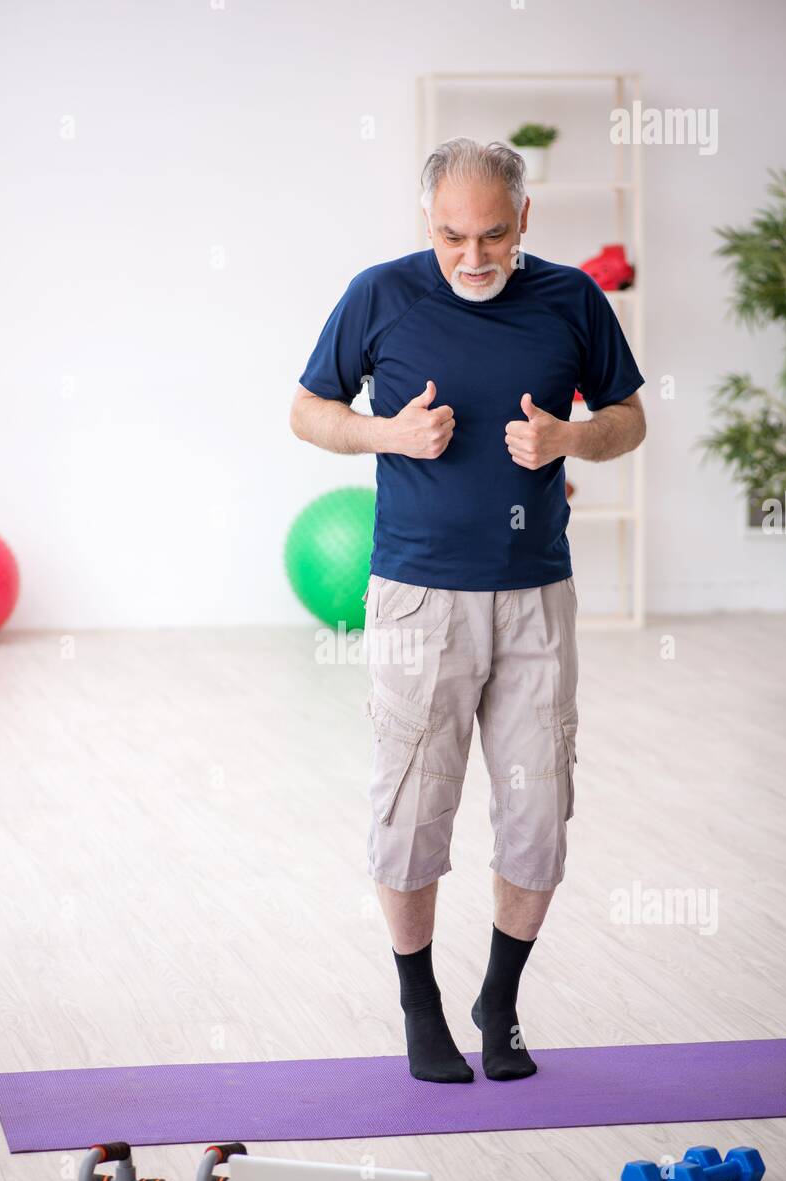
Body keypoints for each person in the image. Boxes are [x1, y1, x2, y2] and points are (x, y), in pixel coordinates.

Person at [290, 137, 646, 1085]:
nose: (473, 257)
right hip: (419, 597)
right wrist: (387, 432)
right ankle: (419, 1006)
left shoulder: (570, 298)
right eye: (452, 236)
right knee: (412, 811)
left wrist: (571, 436)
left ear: (523, 219)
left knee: (540, 816)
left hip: (536, 595)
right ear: (428, 223)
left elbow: (629, 418)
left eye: (492, 235)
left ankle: (501, 1001)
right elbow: (307, 410)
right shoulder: (381, 293)